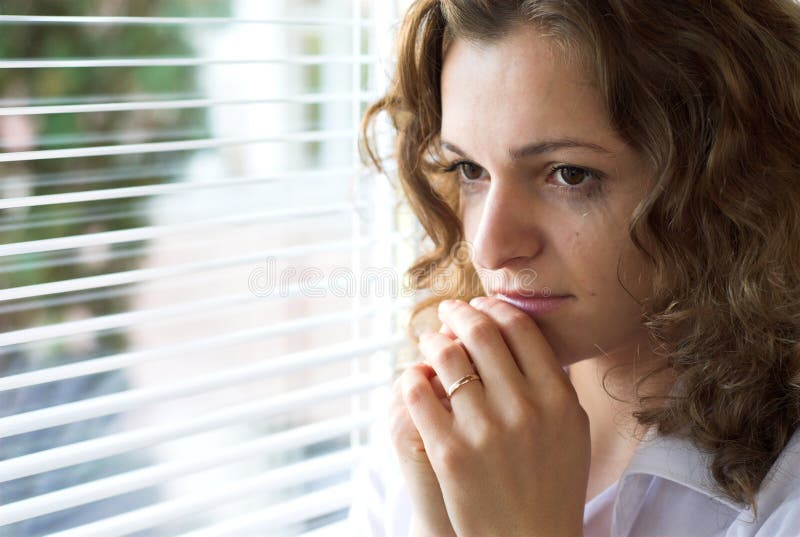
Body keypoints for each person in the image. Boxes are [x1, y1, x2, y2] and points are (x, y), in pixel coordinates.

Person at [349, 1, 800, 536]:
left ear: (728, 182)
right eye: (469, 169)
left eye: (568, 174)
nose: (490, 248)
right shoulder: (434, 426)